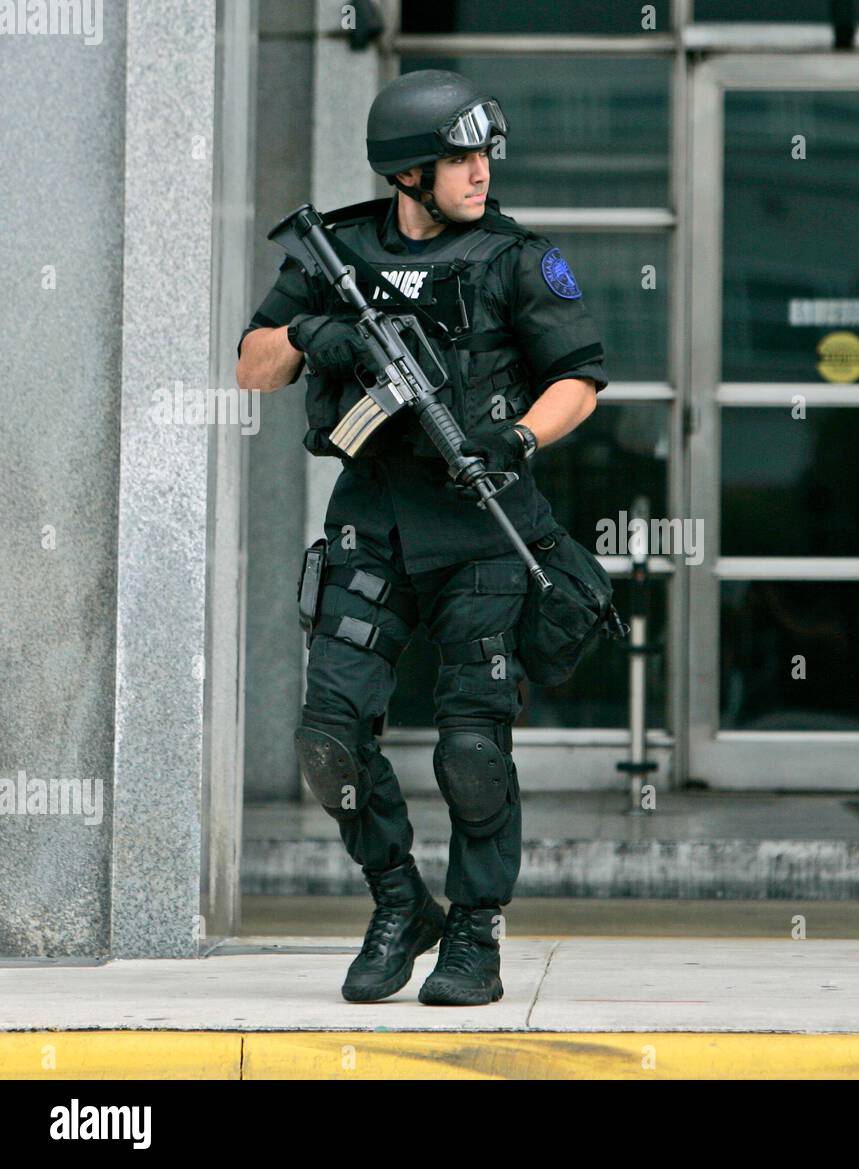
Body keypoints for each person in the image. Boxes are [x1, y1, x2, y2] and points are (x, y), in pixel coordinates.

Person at [235, 69, 608, 1006]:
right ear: (408, 173)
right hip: (371, 528)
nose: (481, 172)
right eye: (459, 158)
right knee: (328, 740)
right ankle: (400, 902)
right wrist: (316, 334)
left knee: (472, 752)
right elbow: (252, 367)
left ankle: (476, 930)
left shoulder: (516, 258)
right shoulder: (339, 248)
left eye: (485, 155)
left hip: (483, 529)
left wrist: (518, 437)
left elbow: (580, 381)